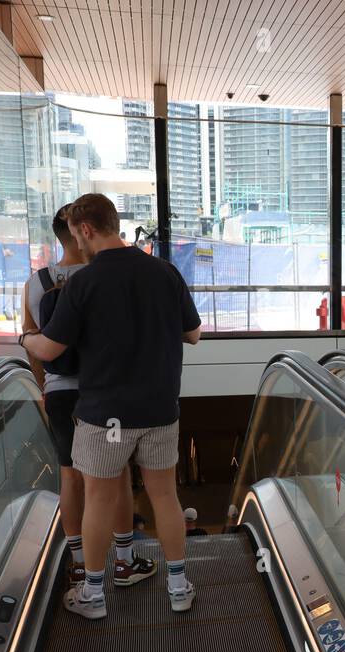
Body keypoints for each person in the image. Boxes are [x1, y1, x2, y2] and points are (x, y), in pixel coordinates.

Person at [20, 193, 201, 619]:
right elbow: (193, 334)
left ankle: (94, 596)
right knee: (165, 496)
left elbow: (49, 348)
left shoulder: (83, 283)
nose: (78, 245)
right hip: (159, 409)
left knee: (99, 500)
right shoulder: (164, 271)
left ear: (85, 229)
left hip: (105, 416)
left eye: (78, 235)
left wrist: (24, 338)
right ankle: (178, 589)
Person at [21, 205, 155, 591]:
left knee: (71, 475)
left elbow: (34, 342)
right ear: (83, 232)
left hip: (61, 392)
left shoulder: (36, 283)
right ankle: (125, 560)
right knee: (116, 475)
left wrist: (45, 384)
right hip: (107, 394)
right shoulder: (106, 275)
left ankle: (79, 563)